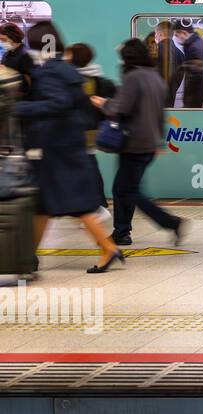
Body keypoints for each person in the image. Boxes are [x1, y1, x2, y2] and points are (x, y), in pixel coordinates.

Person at [13, 22, 123, 273]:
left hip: (56, 145)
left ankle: (108, 248)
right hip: (67, 141)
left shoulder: (49, 71)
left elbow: (58, 103)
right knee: (45, 203)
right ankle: (27, 257)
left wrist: (20, 109)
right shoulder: (66, 68)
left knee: (71, 203)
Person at [92, 38, 186, 250]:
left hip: (133, 142)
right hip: (149, 142)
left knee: (128, 190)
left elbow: (121, 108)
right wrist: (159, 140)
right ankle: (122, 231)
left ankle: (170, 222)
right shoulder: (155, 77)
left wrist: (102, 103)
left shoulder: (133, 77)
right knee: (125, 189)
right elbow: (161, 113)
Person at [67, 42, 115, 213]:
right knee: (88, 164)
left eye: (68, 55)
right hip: (92, 128)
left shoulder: (80, 80)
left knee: (87, 165)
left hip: (81, 130)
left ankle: (97, 204)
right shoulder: (96, 75)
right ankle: (94, 203)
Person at [173, 22, 203, 108]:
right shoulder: (196, 42)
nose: (176, 38)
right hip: (196, 93)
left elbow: (200, 68)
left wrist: (183, 66)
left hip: (196, 93)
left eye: (177, 35)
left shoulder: (195, 47)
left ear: (184, 33)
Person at [0, 23, 34, 95]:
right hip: (8, 95)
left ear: (13, 37)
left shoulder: (26, 55)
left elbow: (31, 82)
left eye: (4, 39)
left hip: (22, 98)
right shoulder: (7, 54)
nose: (2, 42)